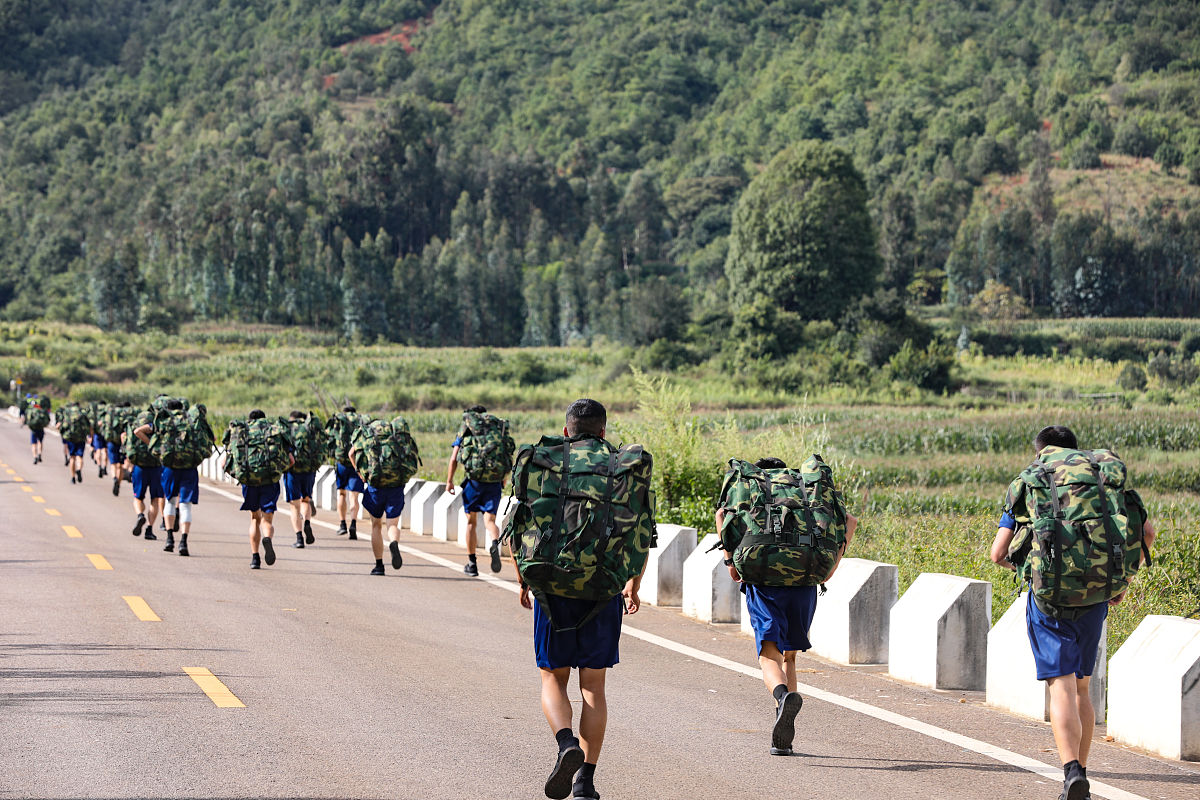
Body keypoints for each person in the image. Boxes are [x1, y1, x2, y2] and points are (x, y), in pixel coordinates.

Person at [989, 425, 1156, 800]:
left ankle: (1071, 772)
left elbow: (997, 553)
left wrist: (1030, 570)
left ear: (1040, 452)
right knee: (1082, 685)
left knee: (1060, 683)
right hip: (1097, 594)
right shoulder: (1101, 476)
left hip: (1050, 597)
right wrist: (1119, 582)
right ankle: (1081, 774)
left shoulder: (1033, 480)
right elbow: (1146, 532)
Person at [507, 399, 655, 800]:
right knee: (594, 686)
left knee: (553, 677)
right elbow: (643, 535)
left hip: (552, 588)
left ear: (567, 430)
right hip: (603, 587)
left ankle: (565, 743)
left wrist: (524, 581)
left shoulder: (546, 462)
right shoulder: (623, 467)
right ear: (604, 431)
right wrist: (632, 585)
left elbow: (517, 528)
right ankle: (585, 782)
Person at [715, 456, 856, 756]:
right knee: (789, 658)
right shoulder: (803, 493)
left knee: (769, 655)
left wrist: (730, 560)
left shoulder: (753, 496)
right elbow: (851, 522)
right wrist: (831, 564)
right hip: (805, 581)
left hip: (765, 585)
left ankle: (782, 698)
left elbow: (732, 561)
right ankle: (784, 739)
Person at [133, 399, 213, 557]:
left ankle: (169, 539)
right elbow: (210, 441)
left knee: (169, 500)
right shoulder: (192, 420)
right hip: (189, 468)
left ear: (167, 409)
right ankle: (184, 541)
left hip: (170, 467)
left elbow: (138, 431)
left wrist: (154, 447)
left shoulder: (163, 421)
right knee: (185, 505)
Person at [445, 404, 514, 576]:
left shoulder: (467, 427)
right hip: (494, 482)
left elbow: (454, 458)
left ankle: (472, 563)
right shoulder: (497, 428)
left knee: (471, 522)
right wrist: (503, 477)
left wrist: (449, 481)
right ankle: (494, 542)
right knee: (490, 521)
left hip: (474, 482)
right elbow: (507, 455)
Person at [349, 416, 419, 576]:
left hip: (376, 484)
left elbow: (351, 454)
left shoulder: (367, 434)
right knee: (392, 524)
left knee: (376, 525)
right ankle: (393, 542)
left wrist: (360, 473)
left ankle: (379, 565)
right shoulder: (395, 436)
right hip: (396, 484)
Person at [226, 410, 294, 570]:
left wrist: (240, 476)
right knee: (267, 519)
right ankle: (267, 538)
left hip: (249, 482)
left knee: (254, 518)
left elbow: (224, 463)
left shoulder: (242, 432)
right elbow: (291, 460)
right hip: (270, 480)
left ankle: (255, 558)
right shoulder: (273, 431)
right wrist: (279, 471)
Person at [124, 405, 163, 542]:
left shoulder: (135, 423)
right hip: (156, 466)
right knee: (155, 499)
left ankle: (140, 515)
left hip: (139, 465)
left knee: (138, 497)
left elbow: (128, 440)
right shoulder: (158, 424)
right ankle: (149, 529)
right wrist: (153, 447)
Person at [284, 410, 323, 549]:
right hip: (309, 470)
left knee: (294, 505)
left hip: (292, 471)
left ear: (292, 418)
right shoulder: (310, 429)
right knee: (306, 499)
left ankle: (299, 538)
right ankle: (307, 523)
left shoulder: (288, 429)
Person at [327, 406, 365, 540]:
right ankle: (353, 523)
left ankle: (342, 524)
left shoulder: (339, 420)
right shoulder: (361, 420)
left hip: (341, 462)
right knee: (354, 497)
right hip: (356, 462)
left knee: (341, 493)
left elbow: (330, 439)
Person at [55, 401, 91, 485]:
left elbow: (60, 425)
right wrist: (89, 436)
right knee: (80, 457)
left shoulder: (67, 413)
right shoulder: (82, 413)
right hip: (81, 438)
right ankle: (79, 469)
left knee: (72, 458)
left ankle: (73, 477)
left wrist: (63, 434)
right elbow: (88, 426)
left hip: (70, 438)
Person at [22, 395, 50, 465]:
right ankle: (40, 454)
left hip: (33, 429)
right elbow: (47, 420)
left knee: (34, 444)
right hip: (41, 429)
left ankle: (35, 457)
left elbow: (27, 420)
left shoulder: (31, 411)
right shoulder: (42, 411)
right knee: (40, 441)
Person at [89, 400, 109, 479]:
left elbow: (92, 424)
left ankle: (99, 466)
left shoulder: (96, 411)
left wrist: (91, 436)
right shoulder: (107, 411)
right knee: (104, 451)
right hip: (106, 433)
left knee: (98, 451)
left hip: (97, 434)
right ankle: (105, 467)